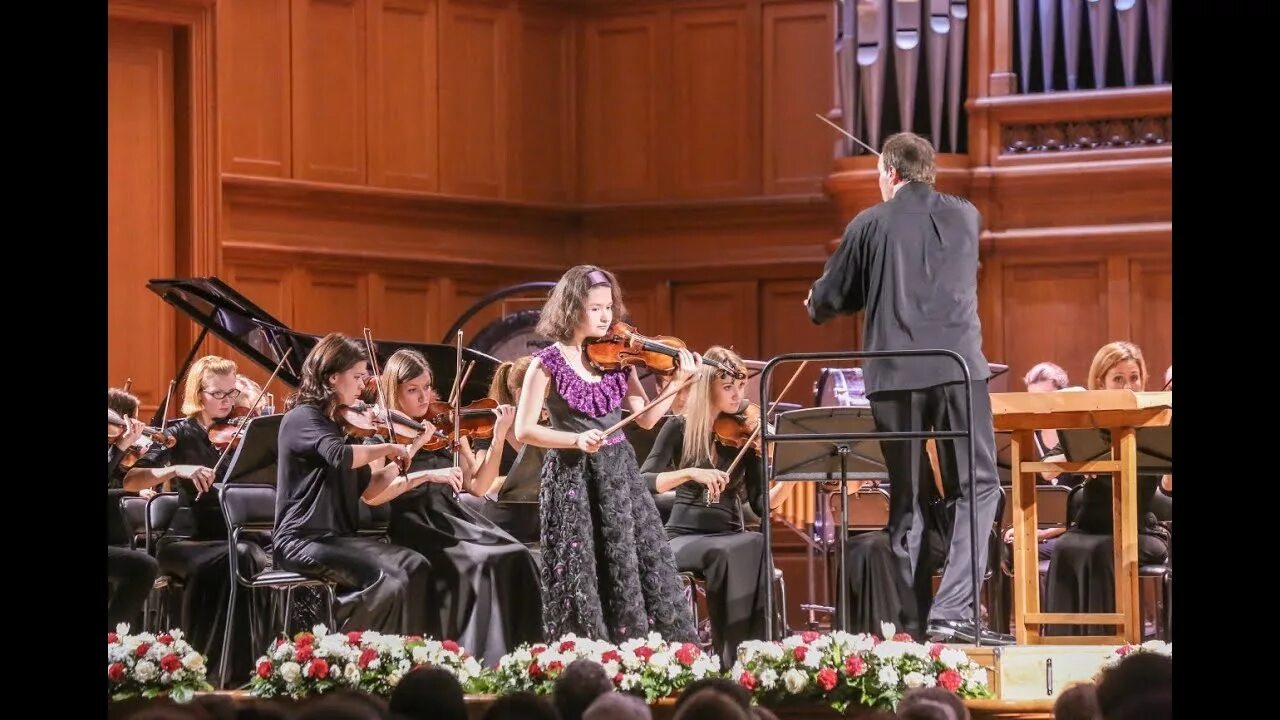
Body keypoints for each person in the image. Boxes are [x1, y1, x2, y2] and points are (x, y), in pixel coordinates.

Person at [805, 132, 1011, 645]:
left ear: (890, 174)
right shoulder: (968, 215)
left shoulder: (869, 223)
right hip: (959, 370)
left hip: (895, 376)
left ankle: (914, 624)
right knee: (978, 487)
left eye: (880, 174)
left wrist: (816, 297)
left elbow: (831, 299)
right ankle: (955, 609)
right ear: (930, 172)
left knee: (908, 499)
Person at [515, 264, 698, 643]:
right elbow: (524, 429)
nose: (605, 316)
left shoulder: (618, 360)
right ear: (571, 309)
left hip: (618, 475)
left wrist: (677, 384)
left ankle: (640, 652)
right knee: (583, 569)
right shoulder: (546, 364)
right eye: (595, 308)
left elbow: (646, 420)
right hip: (572, 479)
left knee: (634, 563)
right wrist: (575, 440)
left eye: (608, 307)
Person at [367, 348, 540, 662]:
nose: (424, 397)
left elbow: (478, 485)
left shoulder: (446, 428)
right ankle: (480, 659)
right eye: (413, 390)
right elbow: (375, 493)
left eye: (427, 387)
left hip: (454, 518)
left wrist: (499, 437)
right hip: (416, 523)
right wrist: (424, 469)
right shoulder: (382, 435)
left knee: (518, 554)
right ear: (394, 391)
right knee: (484, 562)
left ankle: (526, 656)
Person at [274, 332, 444, 634]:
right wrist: (388, 448)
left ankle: (412, 653)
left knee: (416, 565)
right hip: (302, 540)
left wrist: (413, 447)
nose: (363, 385)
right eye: (357, 376)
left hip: (338, 538)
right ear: (332, 378)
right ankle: (342, 647)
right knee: (388, 581)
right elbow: (339, 456)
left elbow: (373, 488)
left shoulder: (345, 427)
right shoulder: (303, 418)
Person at [120, 355, 271, 680]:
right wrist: (176, 468)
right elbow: (131, 479)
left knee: (244, 555)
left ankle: (234, 668)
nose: (227, 401)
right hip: (185, 541)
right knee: (233, 559)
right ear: (198, 393)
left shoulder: (243, 435)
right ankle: (202, 664)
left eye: (232, 393)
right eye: (219, 394)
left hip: (233, 537)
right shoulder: (177, 433)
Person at [639, 346, 789, 665]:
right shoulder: (678, 427)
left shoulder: (746, 433)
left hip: (730, 533)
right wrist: (690, 472)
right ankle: (729, 656)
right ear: (709, 387)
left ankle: (759, 654)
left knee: (755, 541)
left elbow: (761, 506)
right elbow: (643, 480)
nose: (738, 396)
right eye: (728, 387)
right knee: (725, 552)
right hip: (681, 537)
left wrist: (791, 478)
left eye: (741, 387)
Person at [1044, 341, 1170, 636]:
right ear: (1100, 383)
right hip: (1088, 528)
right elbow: (1049, 467)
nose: (1129, 385)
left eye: (1134, 377)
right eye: (1118, 379)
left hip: (1138, 530)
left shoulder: (1154, 423)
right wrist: (1087, 455)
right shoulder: (1085, 425)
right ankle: (1063, 647)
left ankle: (1109, 646)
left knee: (1105, 551)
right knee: (1063, 548)